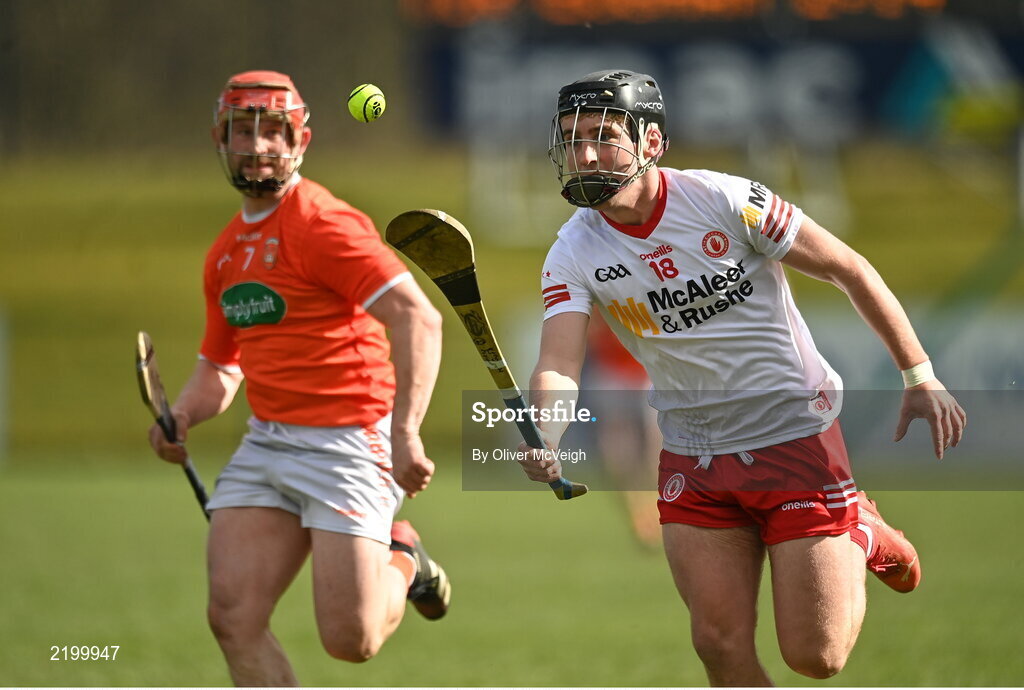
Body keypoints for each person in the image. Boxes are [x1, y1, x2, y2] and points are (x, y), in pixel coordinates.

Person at [519, 69, 966, 685]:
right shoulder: (573, 249)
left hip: (794, 441)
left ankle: (861, 530)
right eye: (571, 138)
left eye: (602, 134)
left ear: (652, 142)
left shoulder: (725, 200)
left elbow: (849, 269)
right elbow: (559, 362)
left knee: (816, 657)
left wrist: (920, 375)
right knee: (719, 643)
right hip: (692, 454)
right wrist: (547, 431)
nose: (584, 153)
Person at [147, 70, 450, 686]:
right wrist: (181, 414)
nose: (259, 145)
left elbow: (417, 317)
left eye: (275, 132)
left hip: (348, 442)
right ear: (219, 138)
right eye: (243, 130)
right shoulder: (226, 253)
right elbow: (220, 366)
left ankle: (406, 561)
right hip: (268, 442)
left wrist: (406, 433)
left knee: (352, 640)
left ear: (300, 140)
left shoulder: (322, 225)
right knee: (233, 617)